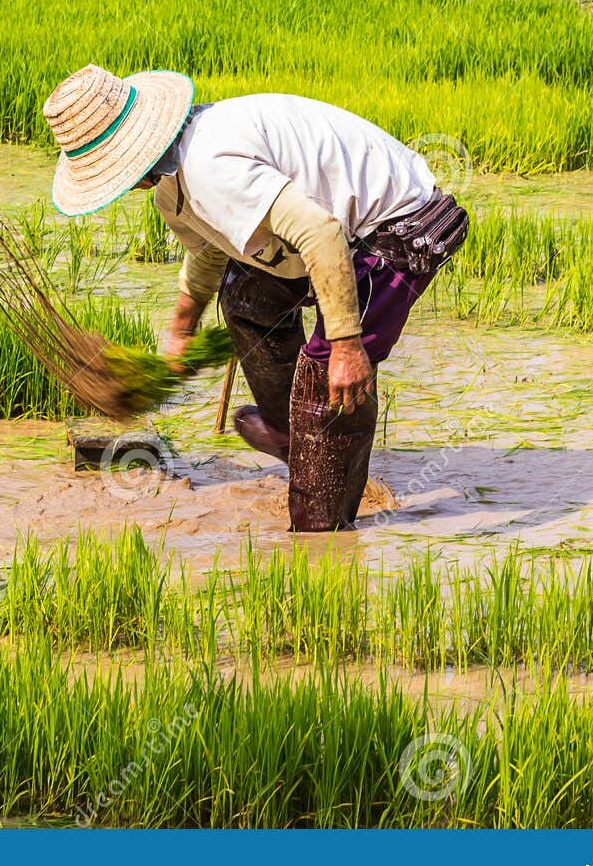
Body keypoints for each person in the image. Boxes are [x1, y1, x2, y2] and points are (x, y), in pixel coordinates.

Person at [44, 64, 468, 531]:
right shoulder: (171, 184)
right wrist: (181, 332)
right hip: (333, 233)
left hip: (398, 227)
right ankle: (292, 436)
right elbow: (209, 250)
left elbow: (321, 234)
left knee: (326, 382)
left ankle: (320, 532)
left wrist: (348, 346)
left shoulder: (212, 164)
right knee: (247, 297)